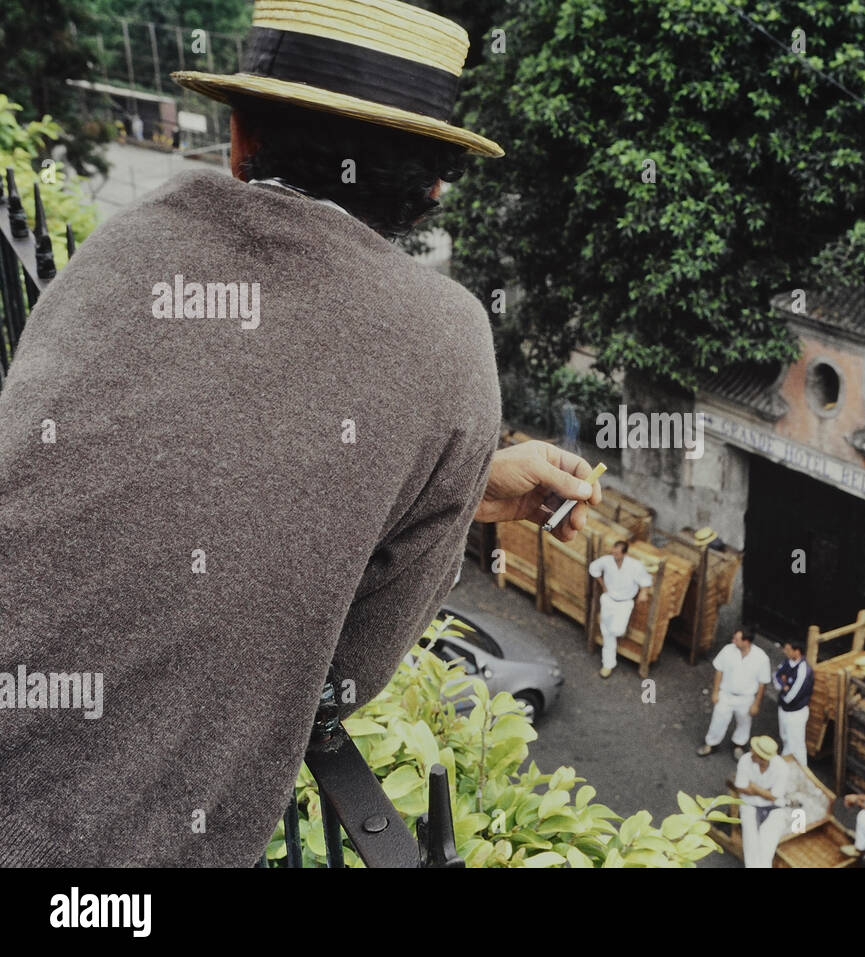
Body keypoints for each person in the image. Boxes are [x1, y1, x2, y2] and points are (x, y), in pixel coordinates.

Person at [0, 0, 603, 867]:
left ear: (240, 136)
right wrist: (449, 480)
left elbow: (171, 449)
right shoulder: (447, 337)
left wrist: (472, 482)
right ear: (432, 187)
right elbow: (332, 677)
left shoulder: (117, 251)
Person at [697, 630, 771, 759]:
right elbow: (719, 671)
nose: (733, 641)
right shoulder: (727, 650)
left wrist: (756, 704)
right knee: (718, 720)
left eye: (736, 639)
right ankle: (711, 743)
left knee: (744, 723)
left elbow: (762, 684)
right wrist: (715, 692)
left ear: (746, 642)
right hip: (726, 694)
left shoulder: (761, 658)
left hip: (746, 698)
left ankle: (739, 745)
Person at [588, 540, 652, 677]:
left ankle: (612, 640)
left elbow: (645, 580)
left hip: (624, 602)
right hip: (609, 599)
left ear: (625, 553)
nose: (614, 555)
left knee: (616, 630)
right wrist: (602, 584)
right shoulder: (606, 560)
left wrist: (644, 592)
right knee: (607, 634)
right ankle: (607, 665)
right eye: (613, 551)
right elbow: (593, 568)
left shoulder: (634, 565)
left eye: (617, 553)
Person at [734, 735, 791, 868]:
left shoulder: (781, 767)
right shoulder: (745, 760)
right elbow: (741, 787)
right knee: (751, 844)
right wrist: (766, 792)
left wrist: (753, 786)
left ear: (763, 759)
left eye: (755, 753)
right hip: (750, 804)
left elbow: (774, 797)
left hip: (775, 808)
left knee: (766, 849)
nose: (751, 753)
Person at [774, 639, 813, 765]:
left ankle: (796, 771)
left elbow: (792, 696)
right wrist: (783, 685)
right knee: (785, 739)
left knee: (795, 745)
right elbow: (776, 677)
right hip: (784, 709)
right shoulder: (787, 662)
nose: (785, 652)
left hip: (795, 713)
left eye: (788, 650)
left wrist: (783, 687)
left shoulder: (804, 670)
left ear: (797, 651)